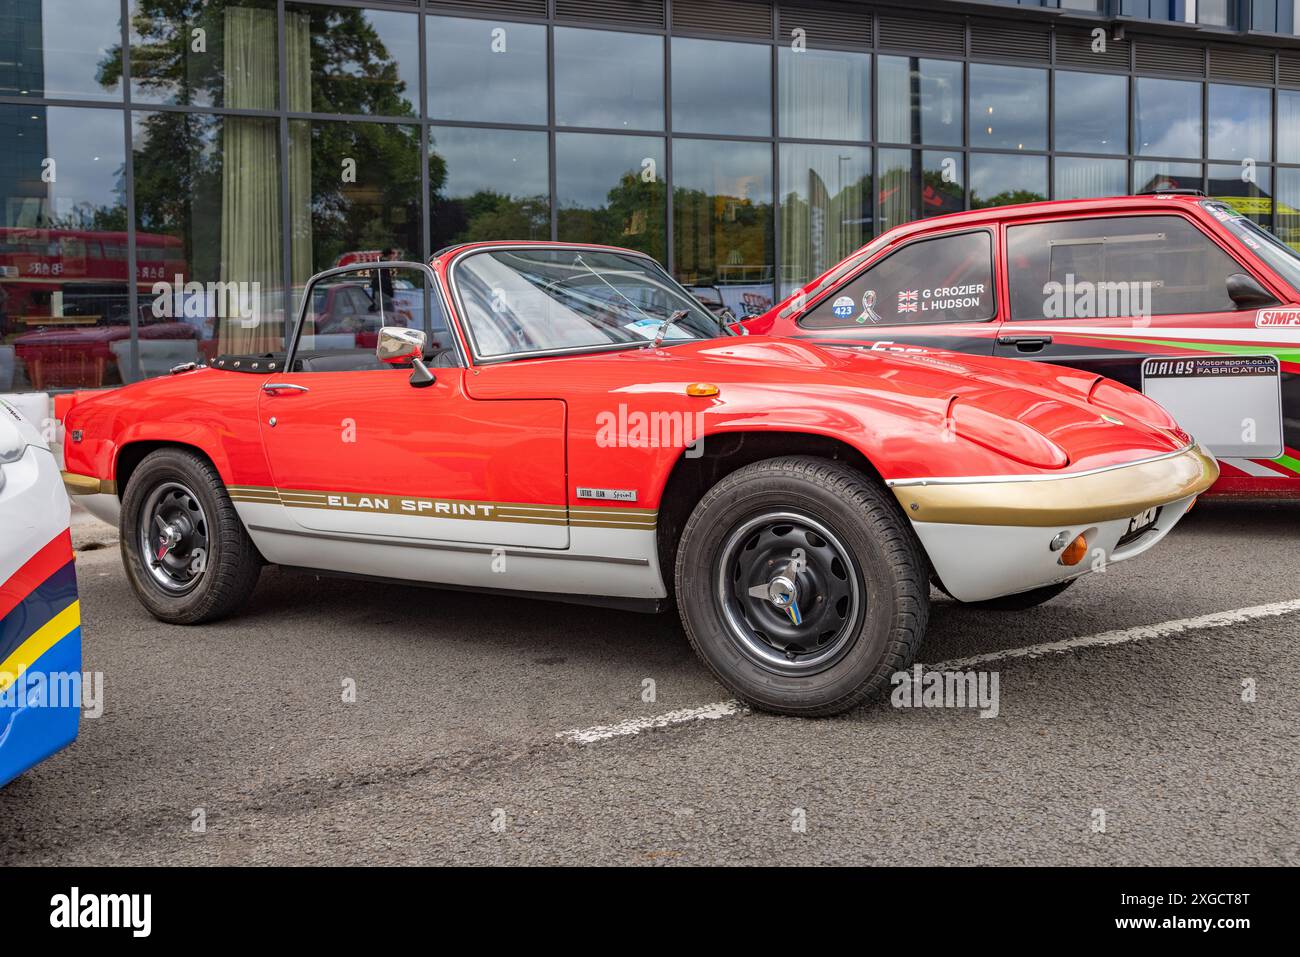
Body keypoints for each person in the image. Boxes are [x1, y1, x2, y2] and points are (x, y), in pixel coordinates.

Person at [368, 248, 399, 314]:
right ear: (389, 255)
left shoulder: (379, 264)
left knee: (383, 310)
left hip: (379, 291)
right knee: (387, 312)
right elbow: (384, 280)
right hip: (383, 292)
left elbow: (375, 279)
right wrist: (390, 291)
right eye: (391, 255)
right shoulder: (384, 265)